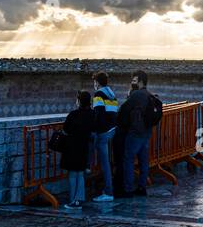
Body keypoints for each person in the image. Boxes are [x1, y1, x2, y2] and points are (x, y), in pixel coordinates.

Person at [119, 70, 153, 196]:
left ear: (140, 81)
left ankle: (128, 189)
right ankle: (142, 187)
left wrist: (129, 95)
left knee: (128, 160)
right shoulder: (148, 94)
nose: (132, 83)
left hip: (135, 133)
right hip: (146, 132)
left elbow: (123, 111)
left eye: (134, 81)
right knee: (144, 161)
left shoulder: (136, 95)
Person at [62, 91, 96, 209]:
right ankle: (79, 199)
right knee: (80, 174)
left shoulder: (74, 114)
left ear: (79, 101)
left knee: (72, 174)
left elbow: (65, 129)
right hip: (85, 146)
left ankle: (73, 200)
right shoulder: (92, 114)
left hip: (72, 147)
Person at [90, 73, 119, 202]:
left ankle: (108, 191)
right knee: (108, 162)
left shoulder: (98, 95)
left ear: (97, 82)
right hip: (113, 130)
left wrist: (94, 130)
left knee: (105, 163)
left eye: (94, 82)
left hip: (104, 132)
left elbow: (98, 115)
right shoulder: (112, 94)